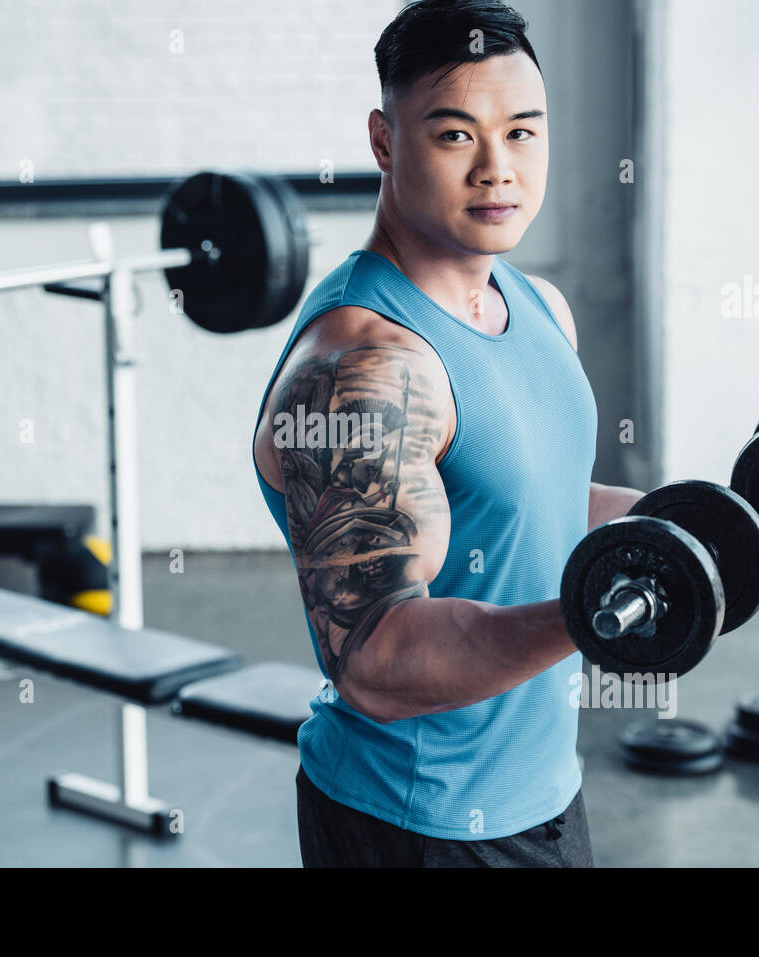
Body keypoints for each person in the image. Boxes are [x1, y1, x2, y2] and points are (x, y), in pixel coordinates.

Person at [251, 0, 642, 867]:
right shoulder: (361, 368)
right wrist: (596, 612)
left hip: (544, 794)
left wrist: (674, 527)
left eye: (524, 133)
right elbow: (378, 658)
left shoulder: (537, 307)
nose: (498, 170)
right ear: (386, 142)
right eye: (457, 135)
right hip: (414, 824)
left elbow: (527, 503)